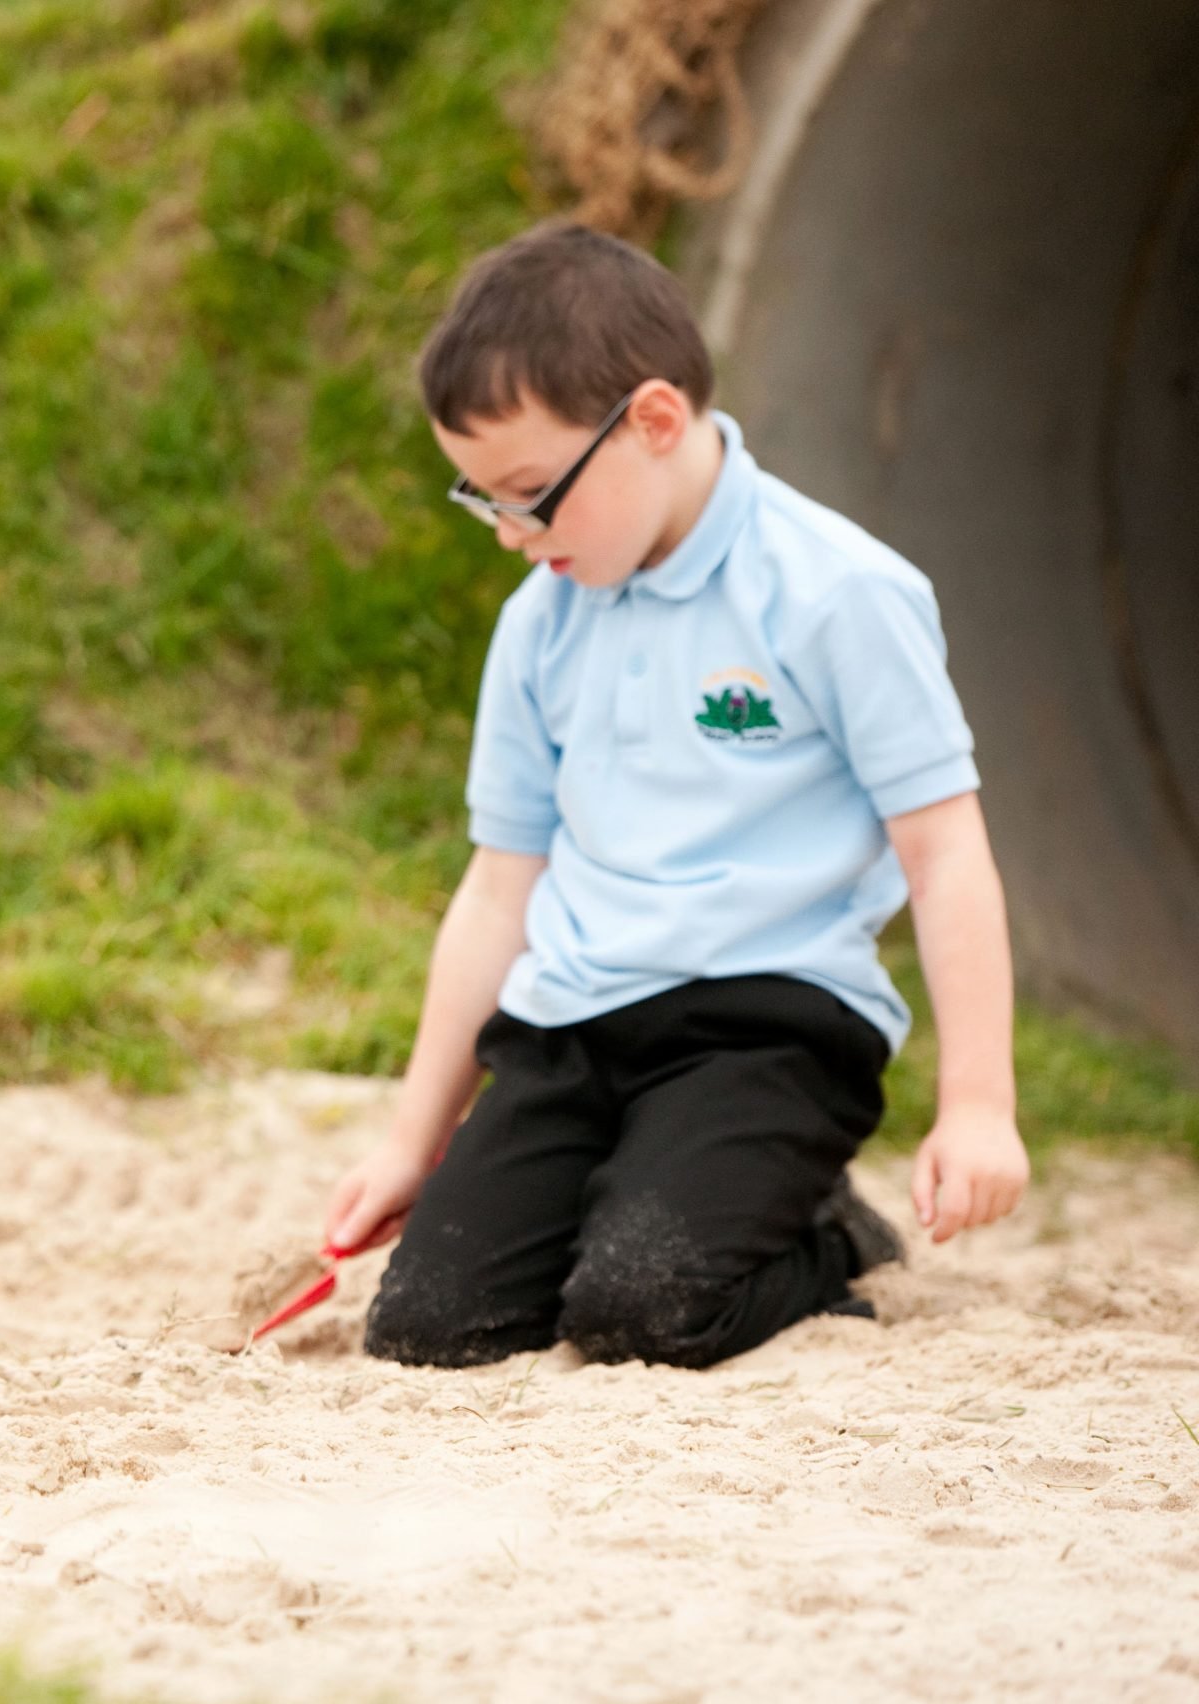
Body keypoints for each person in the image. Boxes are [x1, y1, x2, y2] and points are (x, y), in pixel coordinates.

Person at [321, 223, 1029, 1369]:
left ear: (650, 421)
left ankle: (825, 1233)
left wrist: (979, 1105)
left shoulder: (836, 591)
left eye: (531, 494)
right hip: (574, 1027)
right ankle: (637, 1191)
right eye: (481, 499)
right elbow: (503, 884)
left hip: (765, 1031)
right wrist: (414, 1139)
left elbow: (944, 849)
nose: (508, 533)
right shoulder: (538, 623)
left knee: (644, 1311)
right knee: (428, 1328)